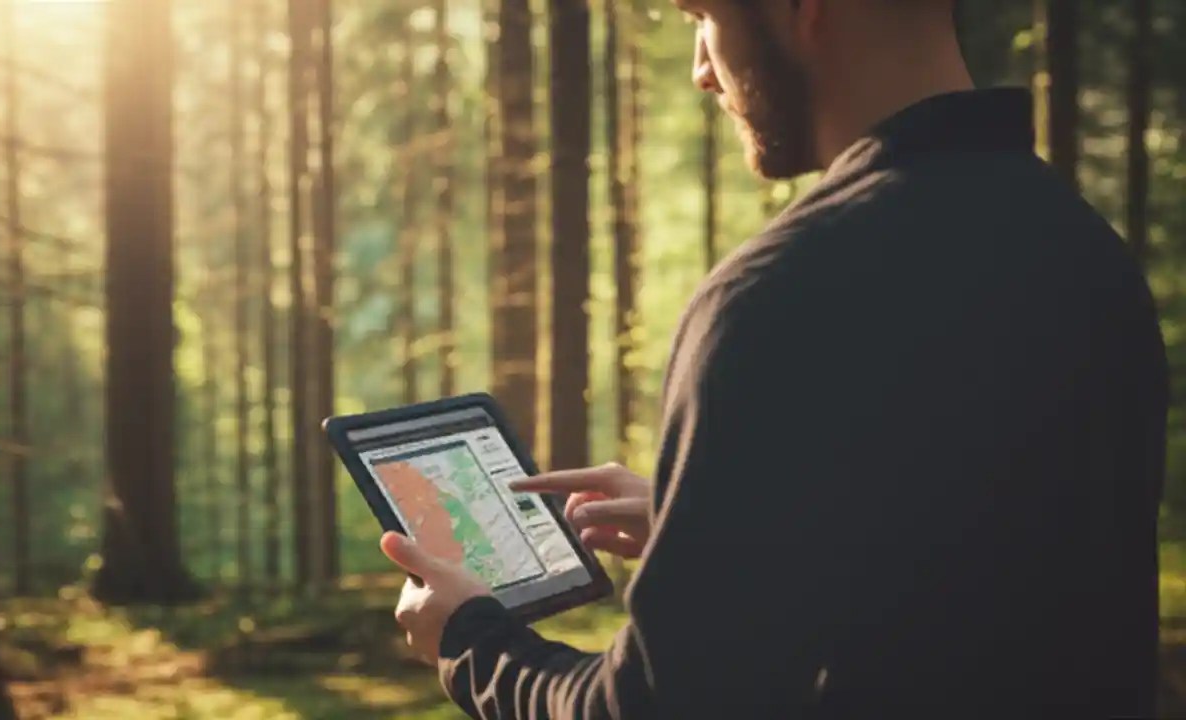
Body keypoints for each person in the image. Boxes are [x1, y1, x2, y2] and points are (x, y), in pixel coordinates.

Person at [380, 0, 1169, 716]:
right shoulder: (1078, 247)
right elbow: (973, 575)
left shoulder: (782, 291)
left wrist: (471, 642)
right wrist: (725, 529)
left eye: (705, 18)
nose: (701, 70)